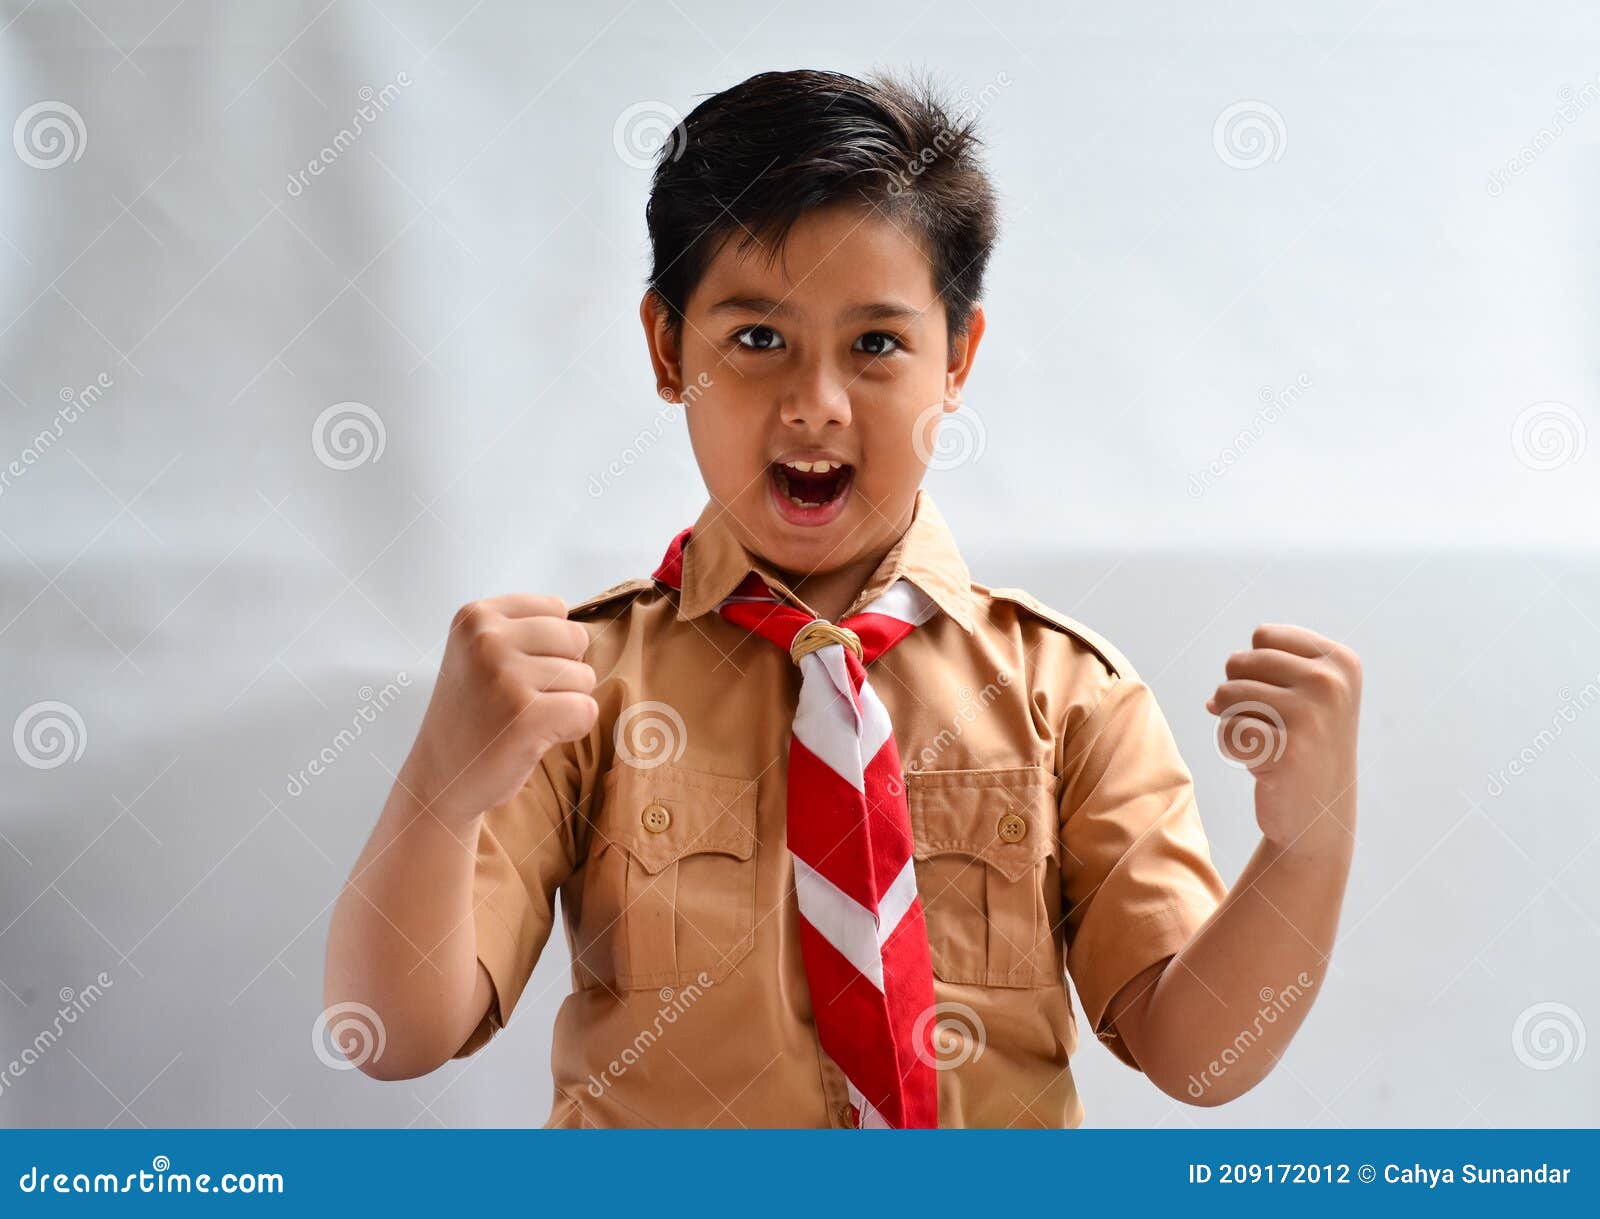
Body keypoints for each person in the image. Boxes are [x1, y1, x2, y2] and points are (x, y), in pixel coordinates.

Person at [322, 68, 1362, 1128]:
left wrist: (1303, 846)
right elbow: (395, 1036)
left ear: (956, 357)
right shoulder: (575, 689)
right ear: (670, 348)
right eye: (758, 339)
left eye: (875, 344)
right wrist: (438, 792)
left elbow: (1197, 1059)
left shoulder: (1068, 693)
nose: (814, 406)